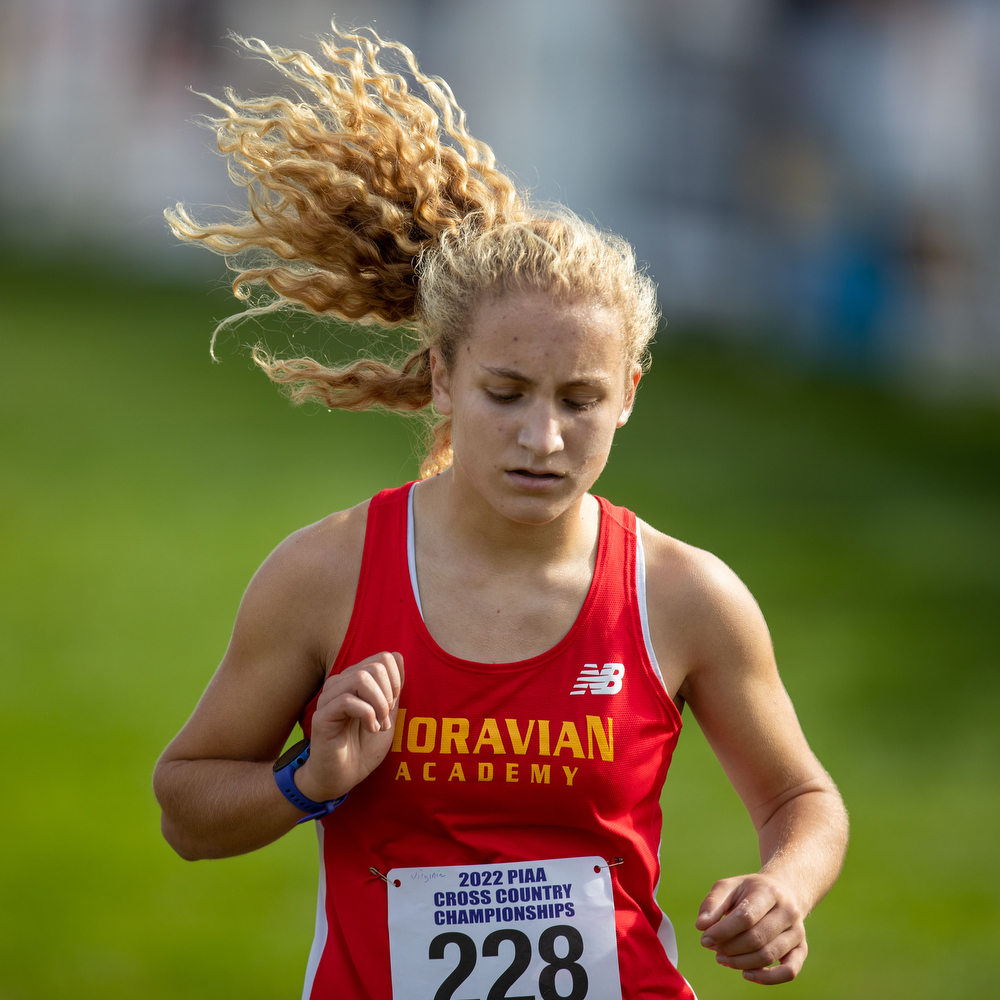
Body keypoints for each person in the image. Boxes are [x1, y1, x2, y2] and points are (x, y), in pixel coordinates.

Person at [153, 26, 848, 1000]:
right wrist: (305, 780)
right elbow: (186, 810)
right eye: (506, 392)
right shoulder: (327, 575)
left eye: (580, 400)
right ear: (442, 377)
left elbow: (801, 796)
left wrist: (784, 889)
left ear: (629, 394)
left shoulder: (684, 595)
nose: (543, 437)